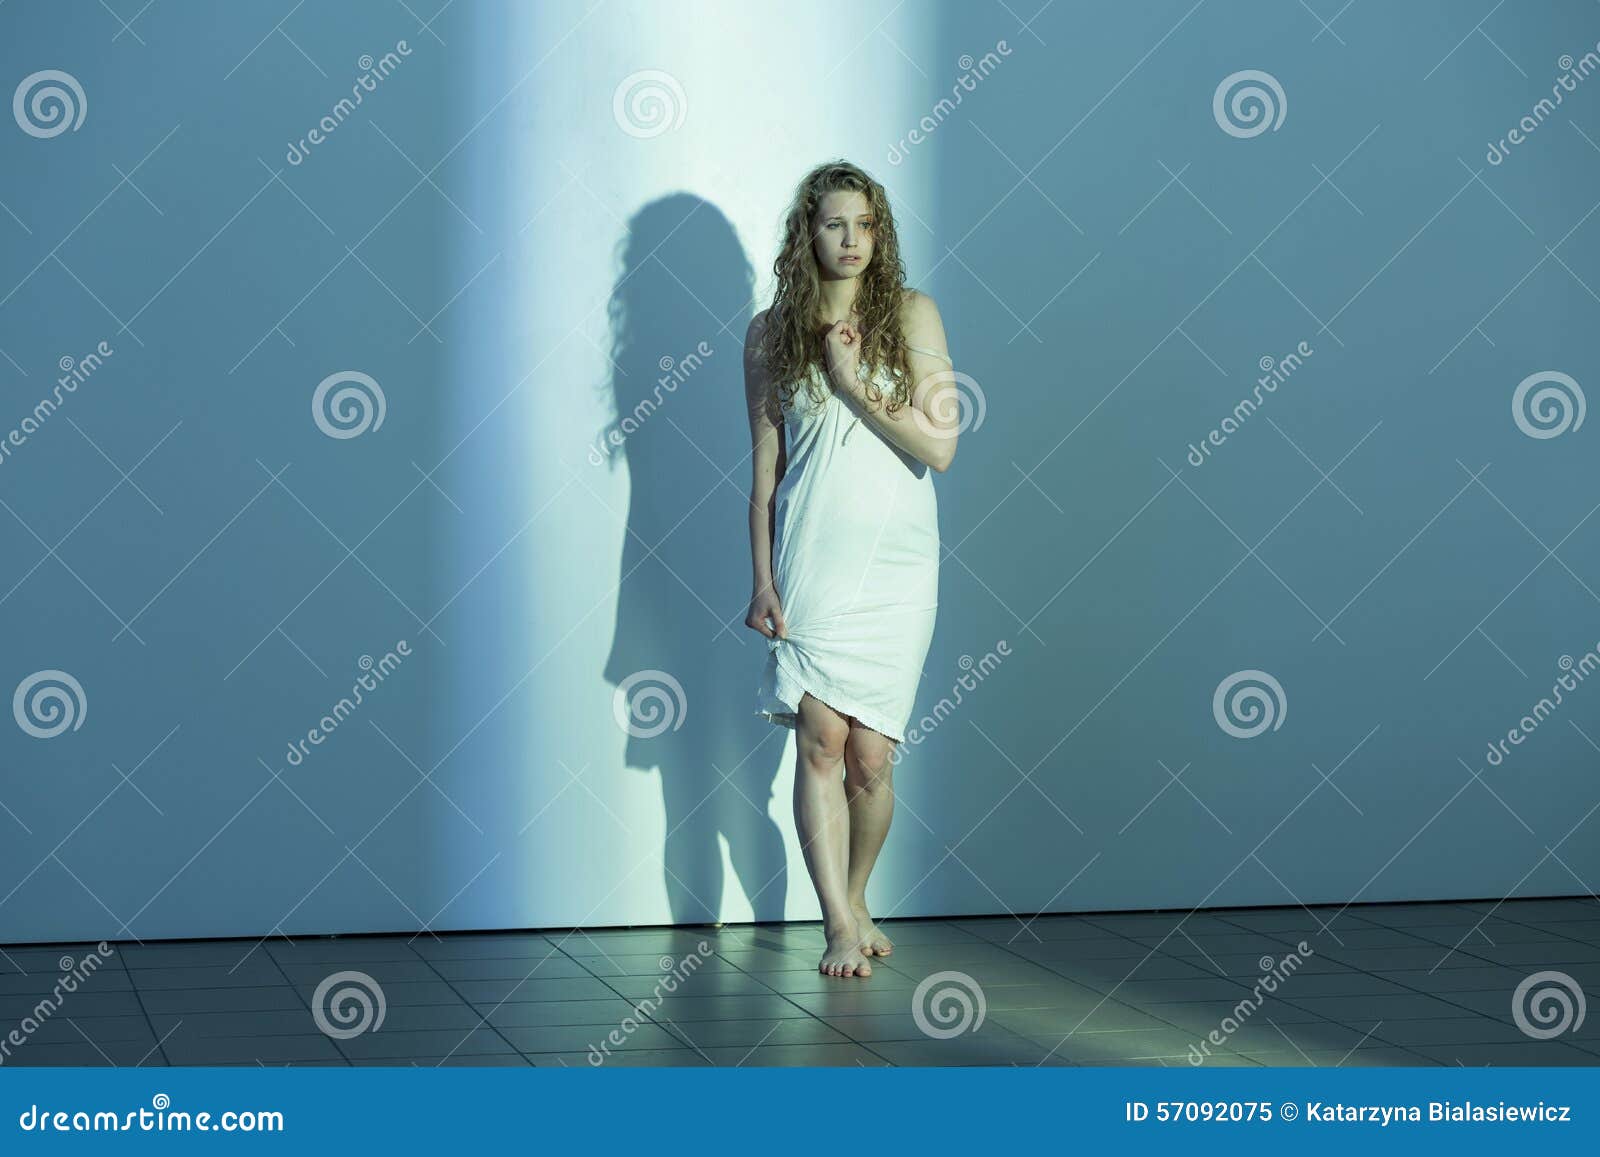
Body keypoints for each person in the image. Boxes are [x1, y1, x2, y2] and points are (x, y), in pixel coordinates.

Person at [744, 159, 959, 977]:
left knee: (872, 755)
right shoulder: (769, 333)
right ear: (808, 233)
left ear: (882, 234)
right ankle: (837, 920)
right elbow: (764, 472)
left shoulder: (913, 313)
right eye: (834, 223)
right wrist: (762, 579)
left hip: (898, 561)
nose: (851, 240)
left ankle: (858, 890)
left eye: (865, 224)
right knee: (821, 739)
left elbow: (940, 445)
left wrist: (849, 381)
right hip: (811, 554)